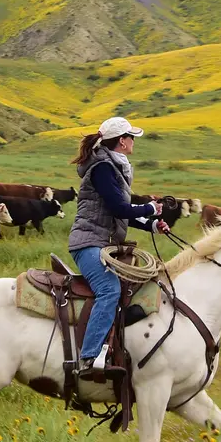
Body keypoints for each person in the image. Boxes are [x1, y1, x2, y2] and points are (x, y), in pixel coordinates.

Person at [68, 117, 169, 382]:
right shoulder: (102, 168)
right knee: (109, 289)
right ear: (122, 141)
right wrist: (149, 208)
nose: (134, 141)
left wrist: (153, 226)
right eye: (131, 137)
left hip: (102, 244)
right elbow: (119, 208)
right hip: (88, 243)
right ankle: (88, 358)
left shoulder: (112, 167)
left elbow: (121, 215)